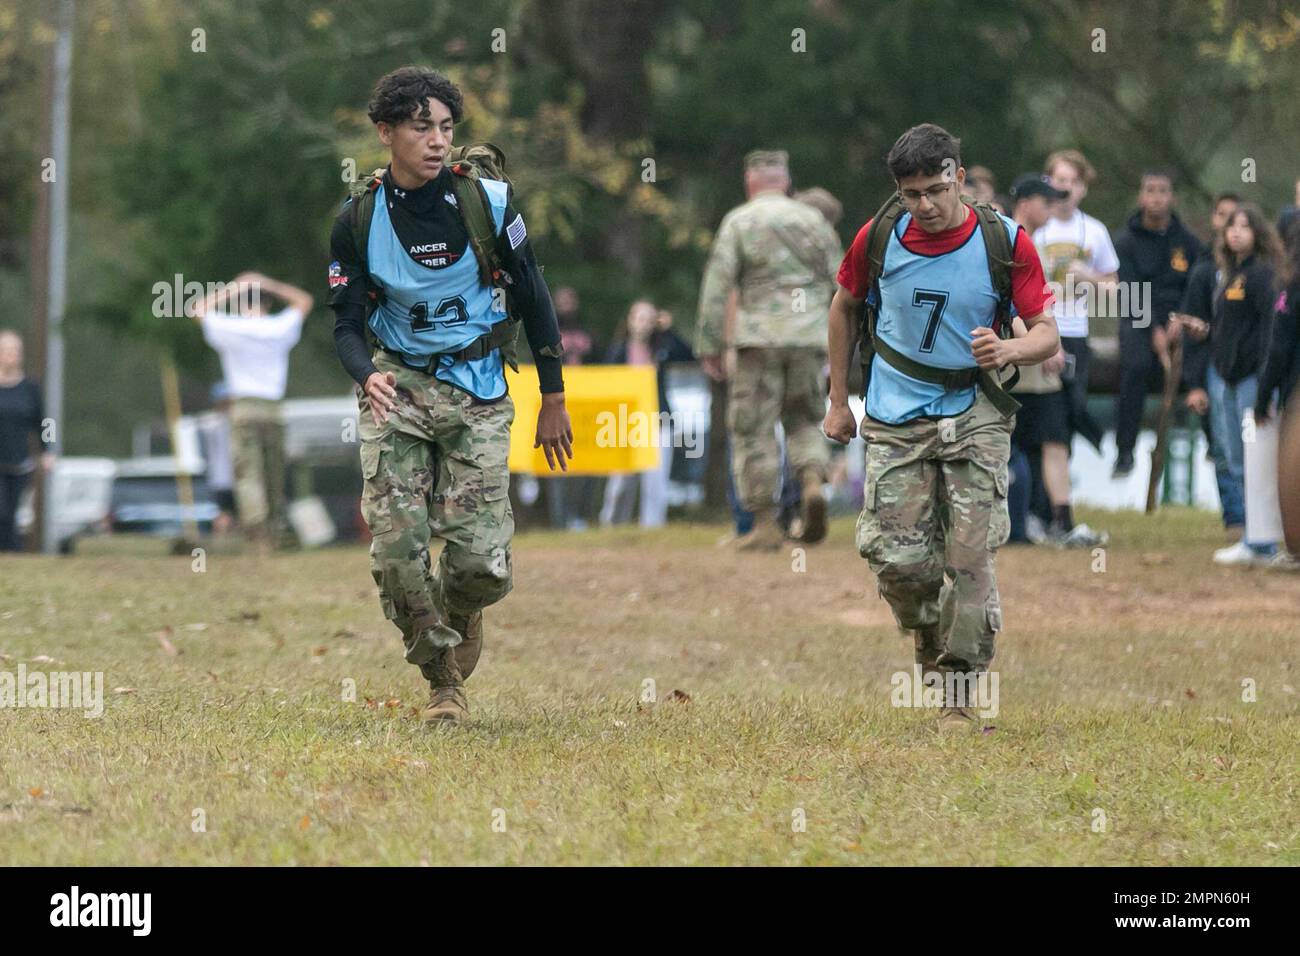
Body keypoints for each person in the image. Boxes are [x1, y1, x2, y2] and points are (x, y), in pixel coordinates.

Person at [328, 66, 572, 724]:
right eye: (420, 127)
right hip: (396, 390)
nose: (437, 141)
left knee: (483, 567)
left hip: (480, 392)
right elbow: (346, 324)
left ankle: (461, 613)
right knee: (396, 560)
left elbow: (533, 295)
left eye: (445, 128)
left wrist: (553, 394)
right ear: (385, 133)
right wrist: (365, 373)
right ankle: (442, 685)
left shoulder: (488, 203)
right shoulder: (357, 219)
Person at [824, 124, 1057, 731]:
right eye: (910, 193)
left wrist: (1010, 352)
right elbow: (844, 306)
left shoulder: (1004, 242)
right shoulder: (878, 237)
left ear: (958, 174)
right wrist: (837, 399)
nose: (924, 205)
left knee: (970, 554)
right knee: (899, 562)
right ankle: (929, 636)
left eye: (934, 188)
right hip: (895, 413)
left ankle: (958, 689)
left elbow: (1045, 334)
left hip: (975, 413)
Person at [695, 149, 841, 550]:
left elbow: (717, 285)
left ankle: (764, 525)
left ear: (750, 181)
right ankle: (812, 480)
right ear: (786, 180)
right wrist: (841, 339)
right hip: (809, 336)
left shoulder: (740, 221)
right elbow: (842, 281)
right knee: (804, 419)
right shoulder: (814, 221)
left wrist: (709, 342)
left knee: (753, 429)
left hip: (757, 339)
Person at [1006, 174, 1105, 547]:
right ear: (1027, 202)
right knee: (1021, 439)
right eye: (1046, 203)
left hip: (1038, 354)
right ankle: (1023, 520)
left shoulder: (1030, 243)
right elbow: (1008, 303)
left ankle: (1056, 520)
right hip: (1020, 360)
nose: (1052, 210)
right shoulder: (1011, 240)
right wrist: (1040, 344)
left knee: (1052, 436)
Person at [1184, 203, 1284, 565]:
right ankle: (1252, 535)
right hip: (1225, 377)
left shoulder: (1262, 275)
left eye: (1245, 226)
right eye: (1231, 226)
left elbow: (1269, 329)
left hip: (1250, 379)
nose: (1237, 232)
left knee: (1256, 458)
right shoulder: (1227, 275)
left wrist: (1261, 377)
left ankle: (1263, 541)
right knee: (1236, 457)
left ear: (1259, 232)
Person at [189, 271, 312, 551]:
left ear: (241, 304)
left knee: (249, 475)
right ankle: (272, 532)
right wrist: (267, 282)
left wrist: (233, 287)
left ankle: (257, 538)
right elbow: (304, 301)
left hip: (243, 408)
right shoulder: (279, 327)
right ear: (267, 303)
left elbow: (196, 309)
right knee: (273, 474)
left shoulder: (231, 327)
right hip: (273, 409)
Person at [1110, 169, 1203, 478]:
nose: (1156, 197)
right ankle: (1125, 451)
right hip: (1139, 318)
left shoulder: (1188, 241)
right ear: (1141, 196)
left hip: (1181, 319)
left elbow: (1195, 285)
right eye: (1150, 190)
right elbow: (1130, 289)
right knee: (1135, 367)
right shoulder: (1124, 241)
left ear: (1171, 196)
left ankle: (1214, 447)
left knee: (1200, 364)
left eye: (1163, 191)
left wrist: (1182, 318)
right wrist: (1153, 330)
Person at [1034, 149, 1118, 456]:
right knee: (1040, 415)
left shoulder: (1095, 231)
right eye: (1059, 179)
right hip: (1036, 330)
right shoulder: (1035, 226)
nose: (1065, 188)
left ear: (1083, 188)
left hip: (1075, 332)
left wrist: (1090, 276)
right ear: (1047, 181)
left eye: (1073, 181)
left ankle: (1060, 491)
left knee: (1070, 411)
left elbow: (1114, 287)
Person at [1176, 191, 1241, 534]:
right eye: (1222, 216)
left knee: (1251, 446)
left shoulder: (1261, 273)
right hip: (1214, 372)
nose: (1230, 226)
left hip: (1249, 373)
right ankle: (1235, 520)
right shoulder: (1203, 272)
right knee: (1220, 445)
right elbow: (1191, 330)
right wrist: (1195, 383)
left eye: (1237, 218)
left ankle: (1261, 520)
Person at [600, 300, 693, 527]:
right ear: (630, 321)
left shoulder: (663, 348)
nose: (644, 324)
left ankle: (653, 526)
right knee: (621, 480)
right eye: (639, 318)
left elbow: (689, 355)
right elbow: (604, 383)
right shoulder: (619, 351)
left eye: (649, 318)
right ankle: (611, 524)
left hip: (658, 419)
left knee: (656, 479)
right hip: (623, 421)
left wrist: (669, 329)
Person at [0, 330, 53, 552]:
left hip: (19, 463)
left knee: (11, 515)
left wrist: (48, 451)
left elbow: (47, 422)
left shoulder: (30, 388)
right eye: (6, 350)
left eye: (15, 350)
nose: (11, 354)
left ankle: (12, 556)